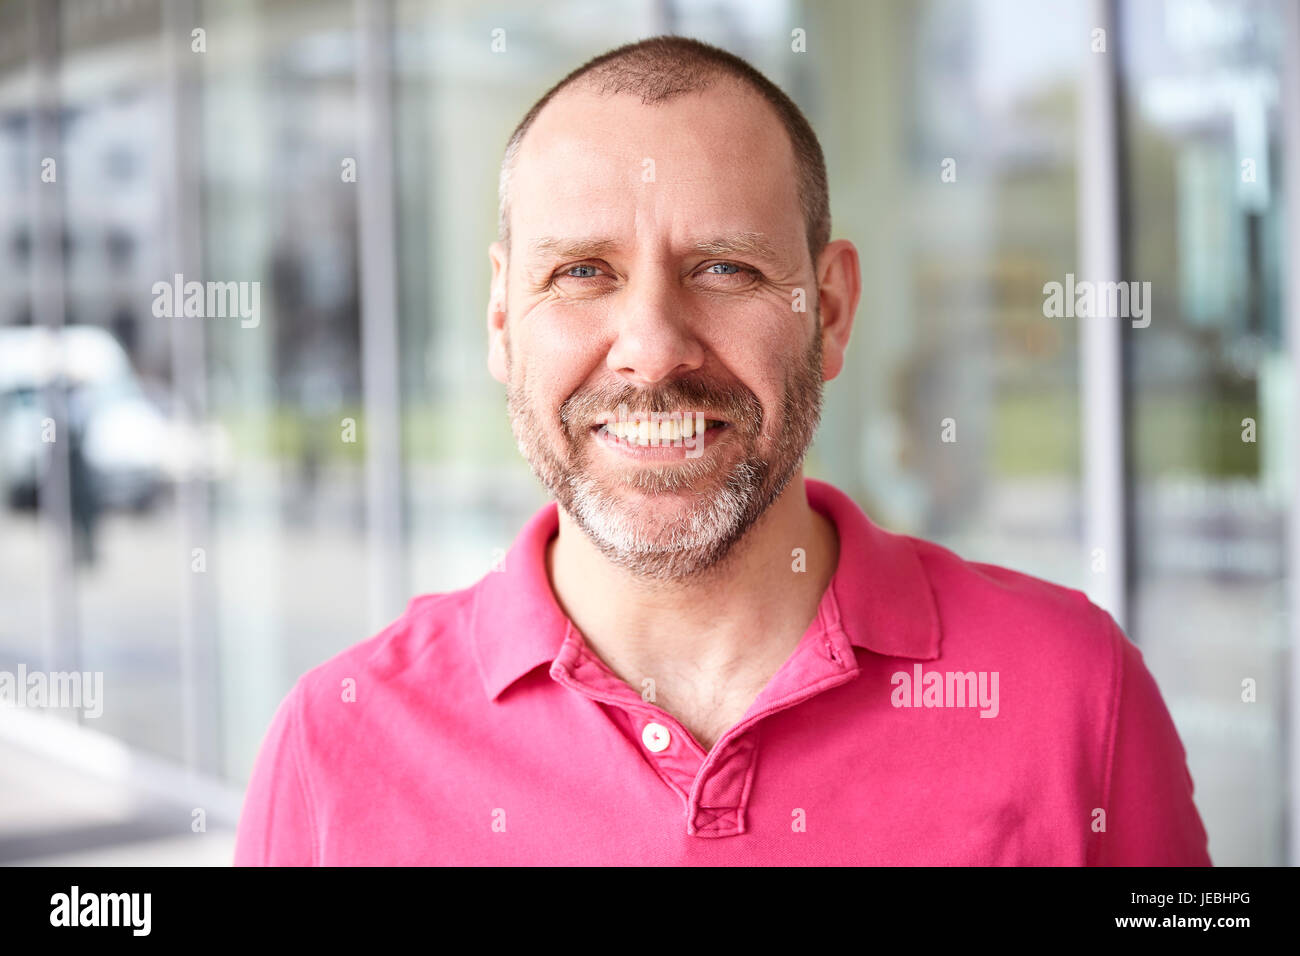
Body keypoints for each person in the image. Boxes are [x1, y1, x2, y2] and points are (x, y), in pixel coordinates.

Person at [235, 36, 1210, 865]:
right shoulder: (338, 741)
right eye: (582, 272)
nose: (653, 345)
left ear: (827, 312)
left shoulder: (1073, 690)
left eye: (723, 268)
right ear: (501, 317)